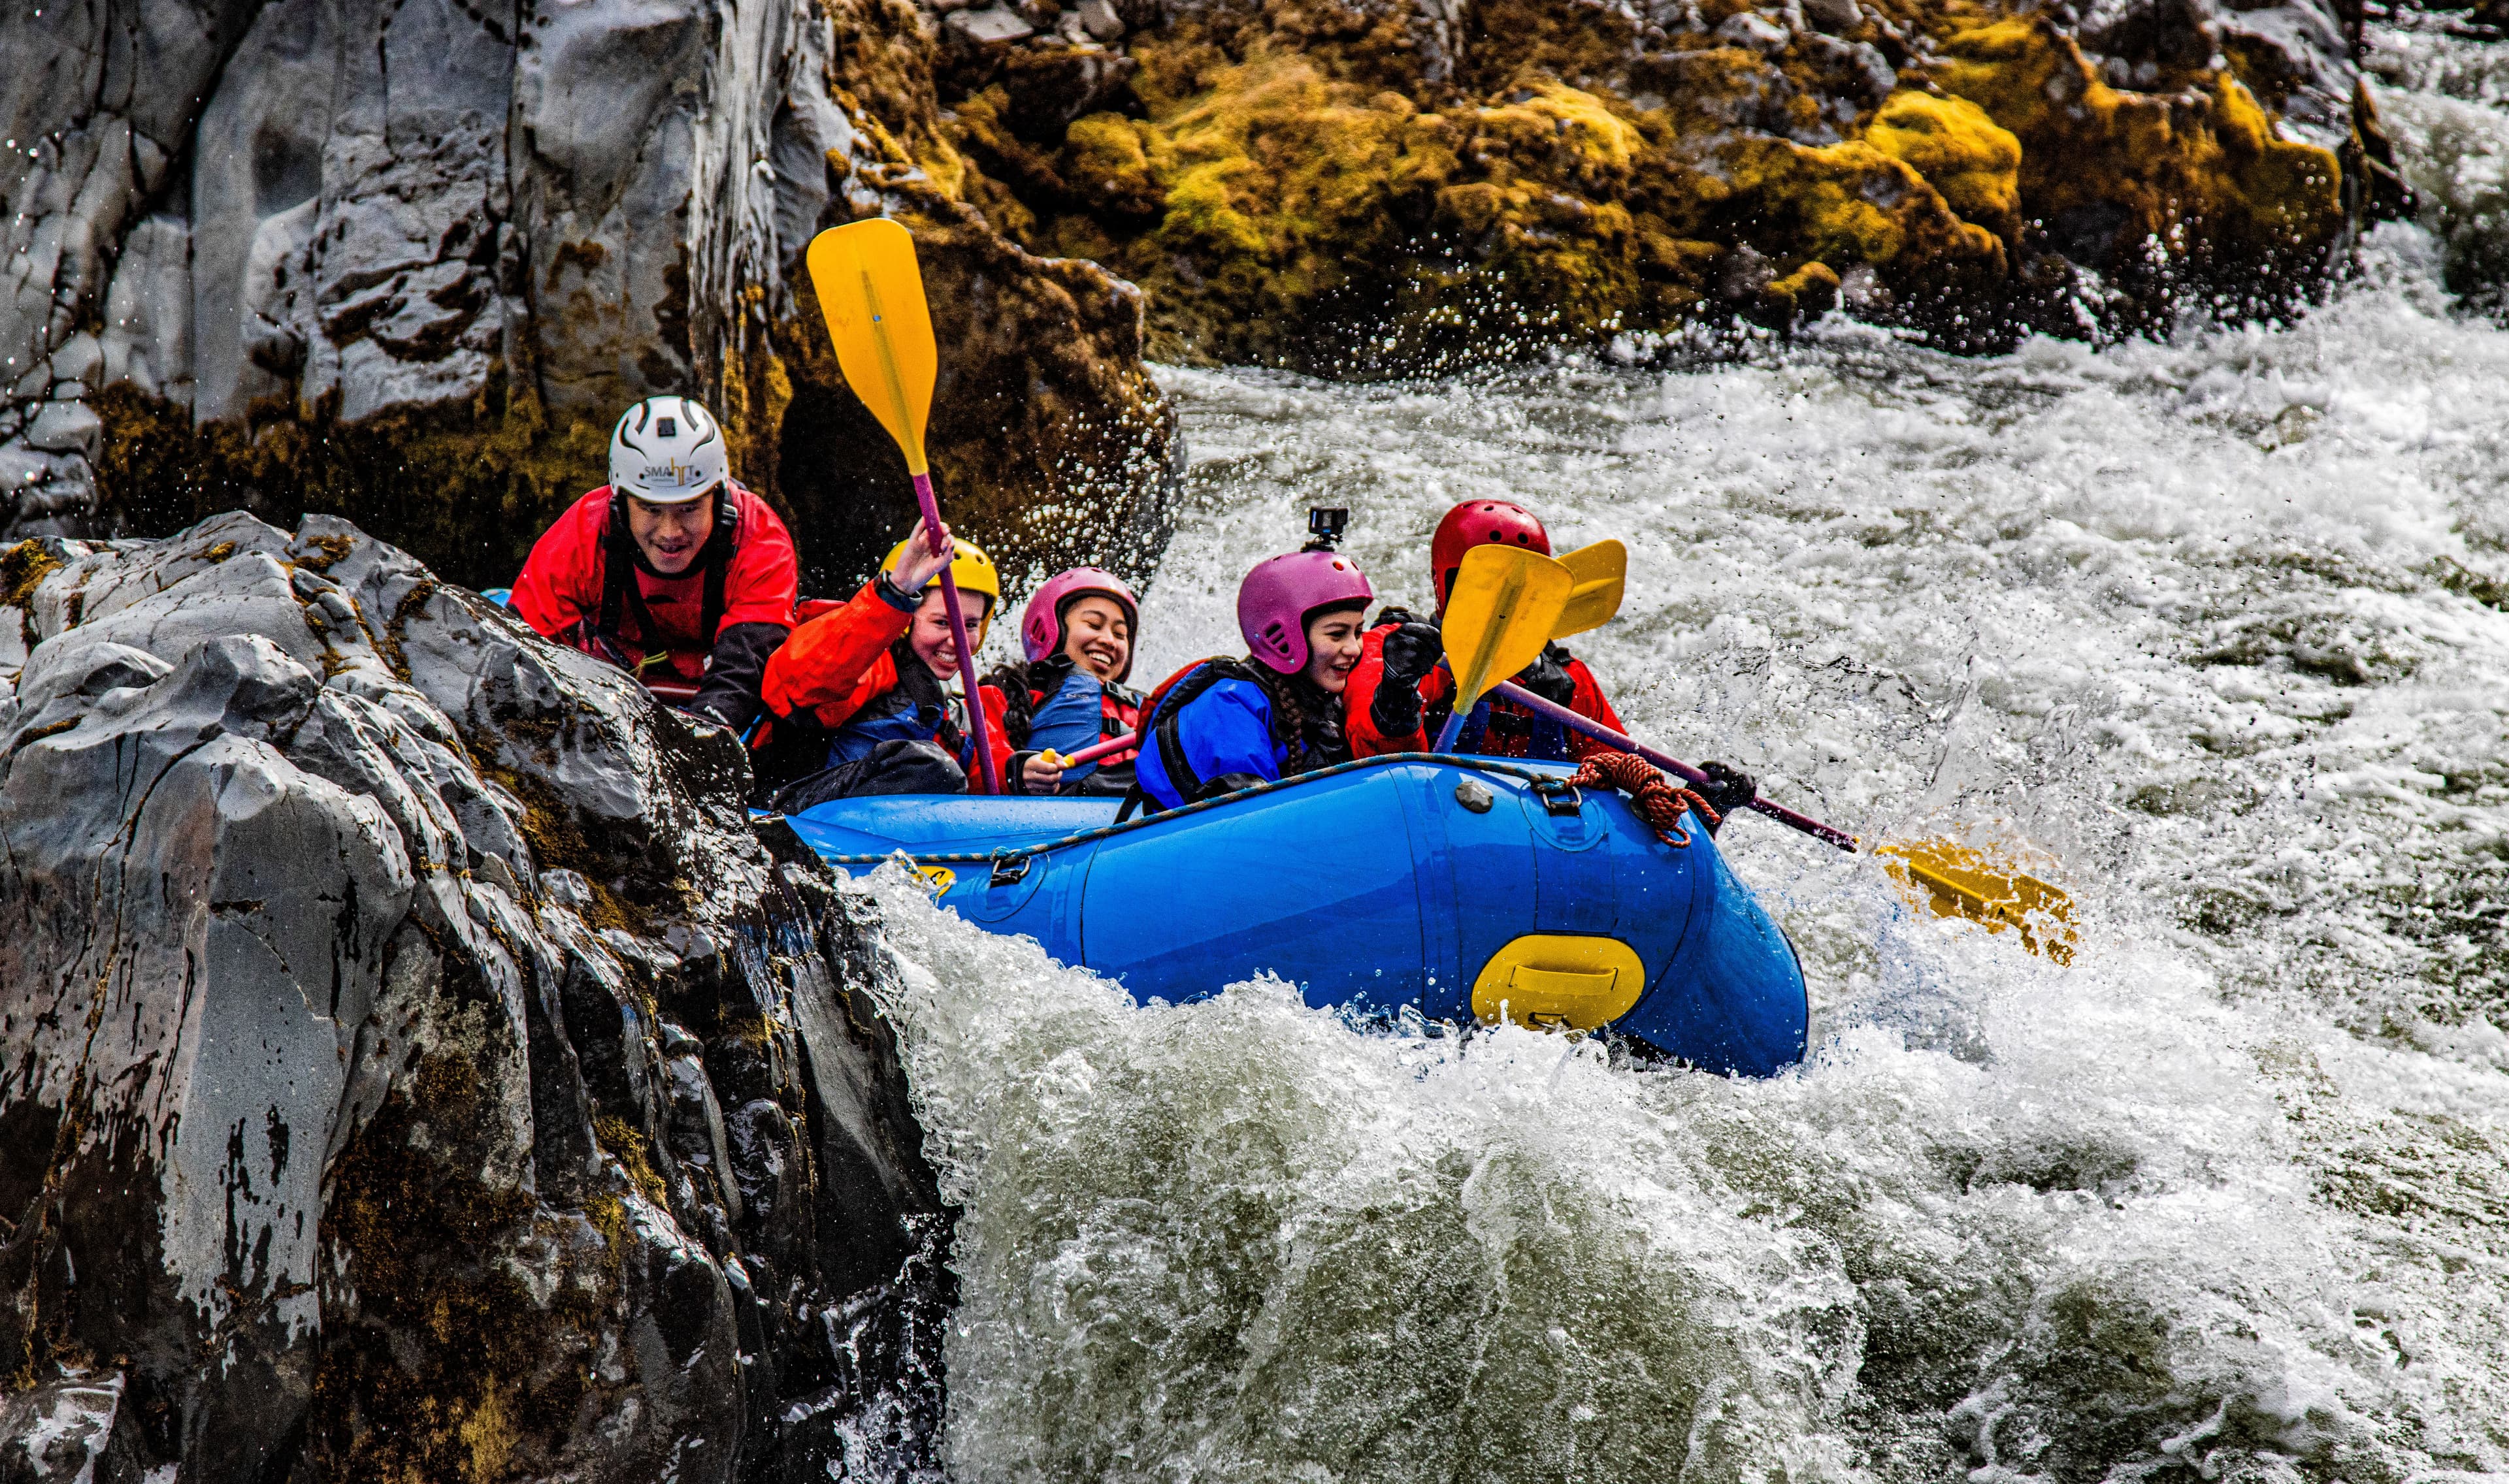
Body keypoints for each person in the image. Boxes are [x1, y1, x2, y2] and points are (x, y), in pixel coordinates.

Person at [1346, 498, 1757, 822]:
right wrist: (1397, 694)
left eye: (1521, 593)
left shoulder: (1568, 679)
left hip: (1527, 839)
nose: (1500, 607)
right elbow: (1375, 769)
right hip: (1429, 825)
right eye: (1483, 586)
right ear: (1446, 583)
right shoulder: (1399, 650)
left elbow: (1630, 786)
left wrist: (1698, 808)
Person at [510, 396, 796, 732]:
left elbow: (745, 664)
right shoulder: (587, 529)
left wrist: (702, 739)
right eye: (651, 509)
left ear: (717, 496)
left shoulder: (759, 537)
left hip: (717, 680)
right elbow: (521, 646)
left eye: (689, 509)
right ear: (621, 500)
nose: (670, 533)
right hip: (610, 675)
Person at [754, 524, 1034, 810]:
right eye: (941, 622)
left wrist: (1020, 773)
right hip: (796, 806)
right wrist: (894, 593)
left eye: (970, 626)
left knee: (941, 767)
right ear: (908, 618)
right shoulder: (871, 664)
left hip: (873, 822)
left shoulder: (949, 709)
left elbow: (980, 773)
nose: (956, 640)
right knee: (930, 766)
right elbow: (802, 680)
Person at [1132, 546, 1374, 811]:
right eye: (1337, 634)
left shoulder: (1324, 703)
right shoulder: (1227, 706)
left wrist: (1396, 704)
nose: (1353, 649)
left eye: (1358, 632)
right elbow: (1252, 823)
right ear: (1285, 637)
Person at [983, 568, 1145, 796]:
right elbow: (980, 761)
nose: (1110, 641)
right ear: (1051, 627)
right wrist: (1016, 771)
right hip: (1056, 814)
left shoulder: (1146, 707)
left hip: (1138, 812)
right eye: (1094, 624)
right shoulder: (1007, 694)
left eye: (1120, 634)